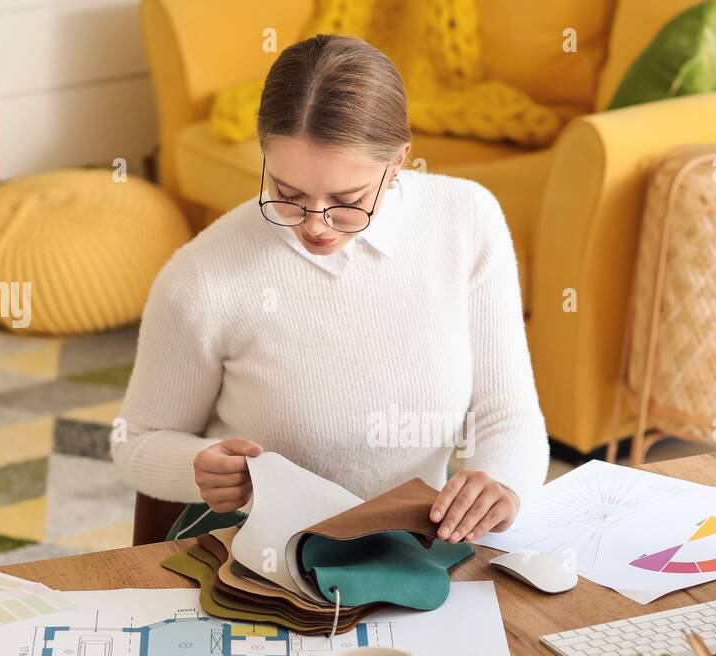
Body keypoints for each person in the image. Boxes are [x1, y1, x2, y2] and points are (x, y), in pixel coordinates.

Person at [112, 34, 548, 544]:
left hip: (414, 554)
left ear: (399, 161)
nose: (316, 226)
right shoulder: (202, 278)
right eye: (287, 194)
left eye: (348, 199)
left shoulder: (466, 220)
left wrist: (500, 484)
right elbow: (135, 442)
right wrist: (196, 466)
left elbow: (507, 413)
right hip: (258, 566)